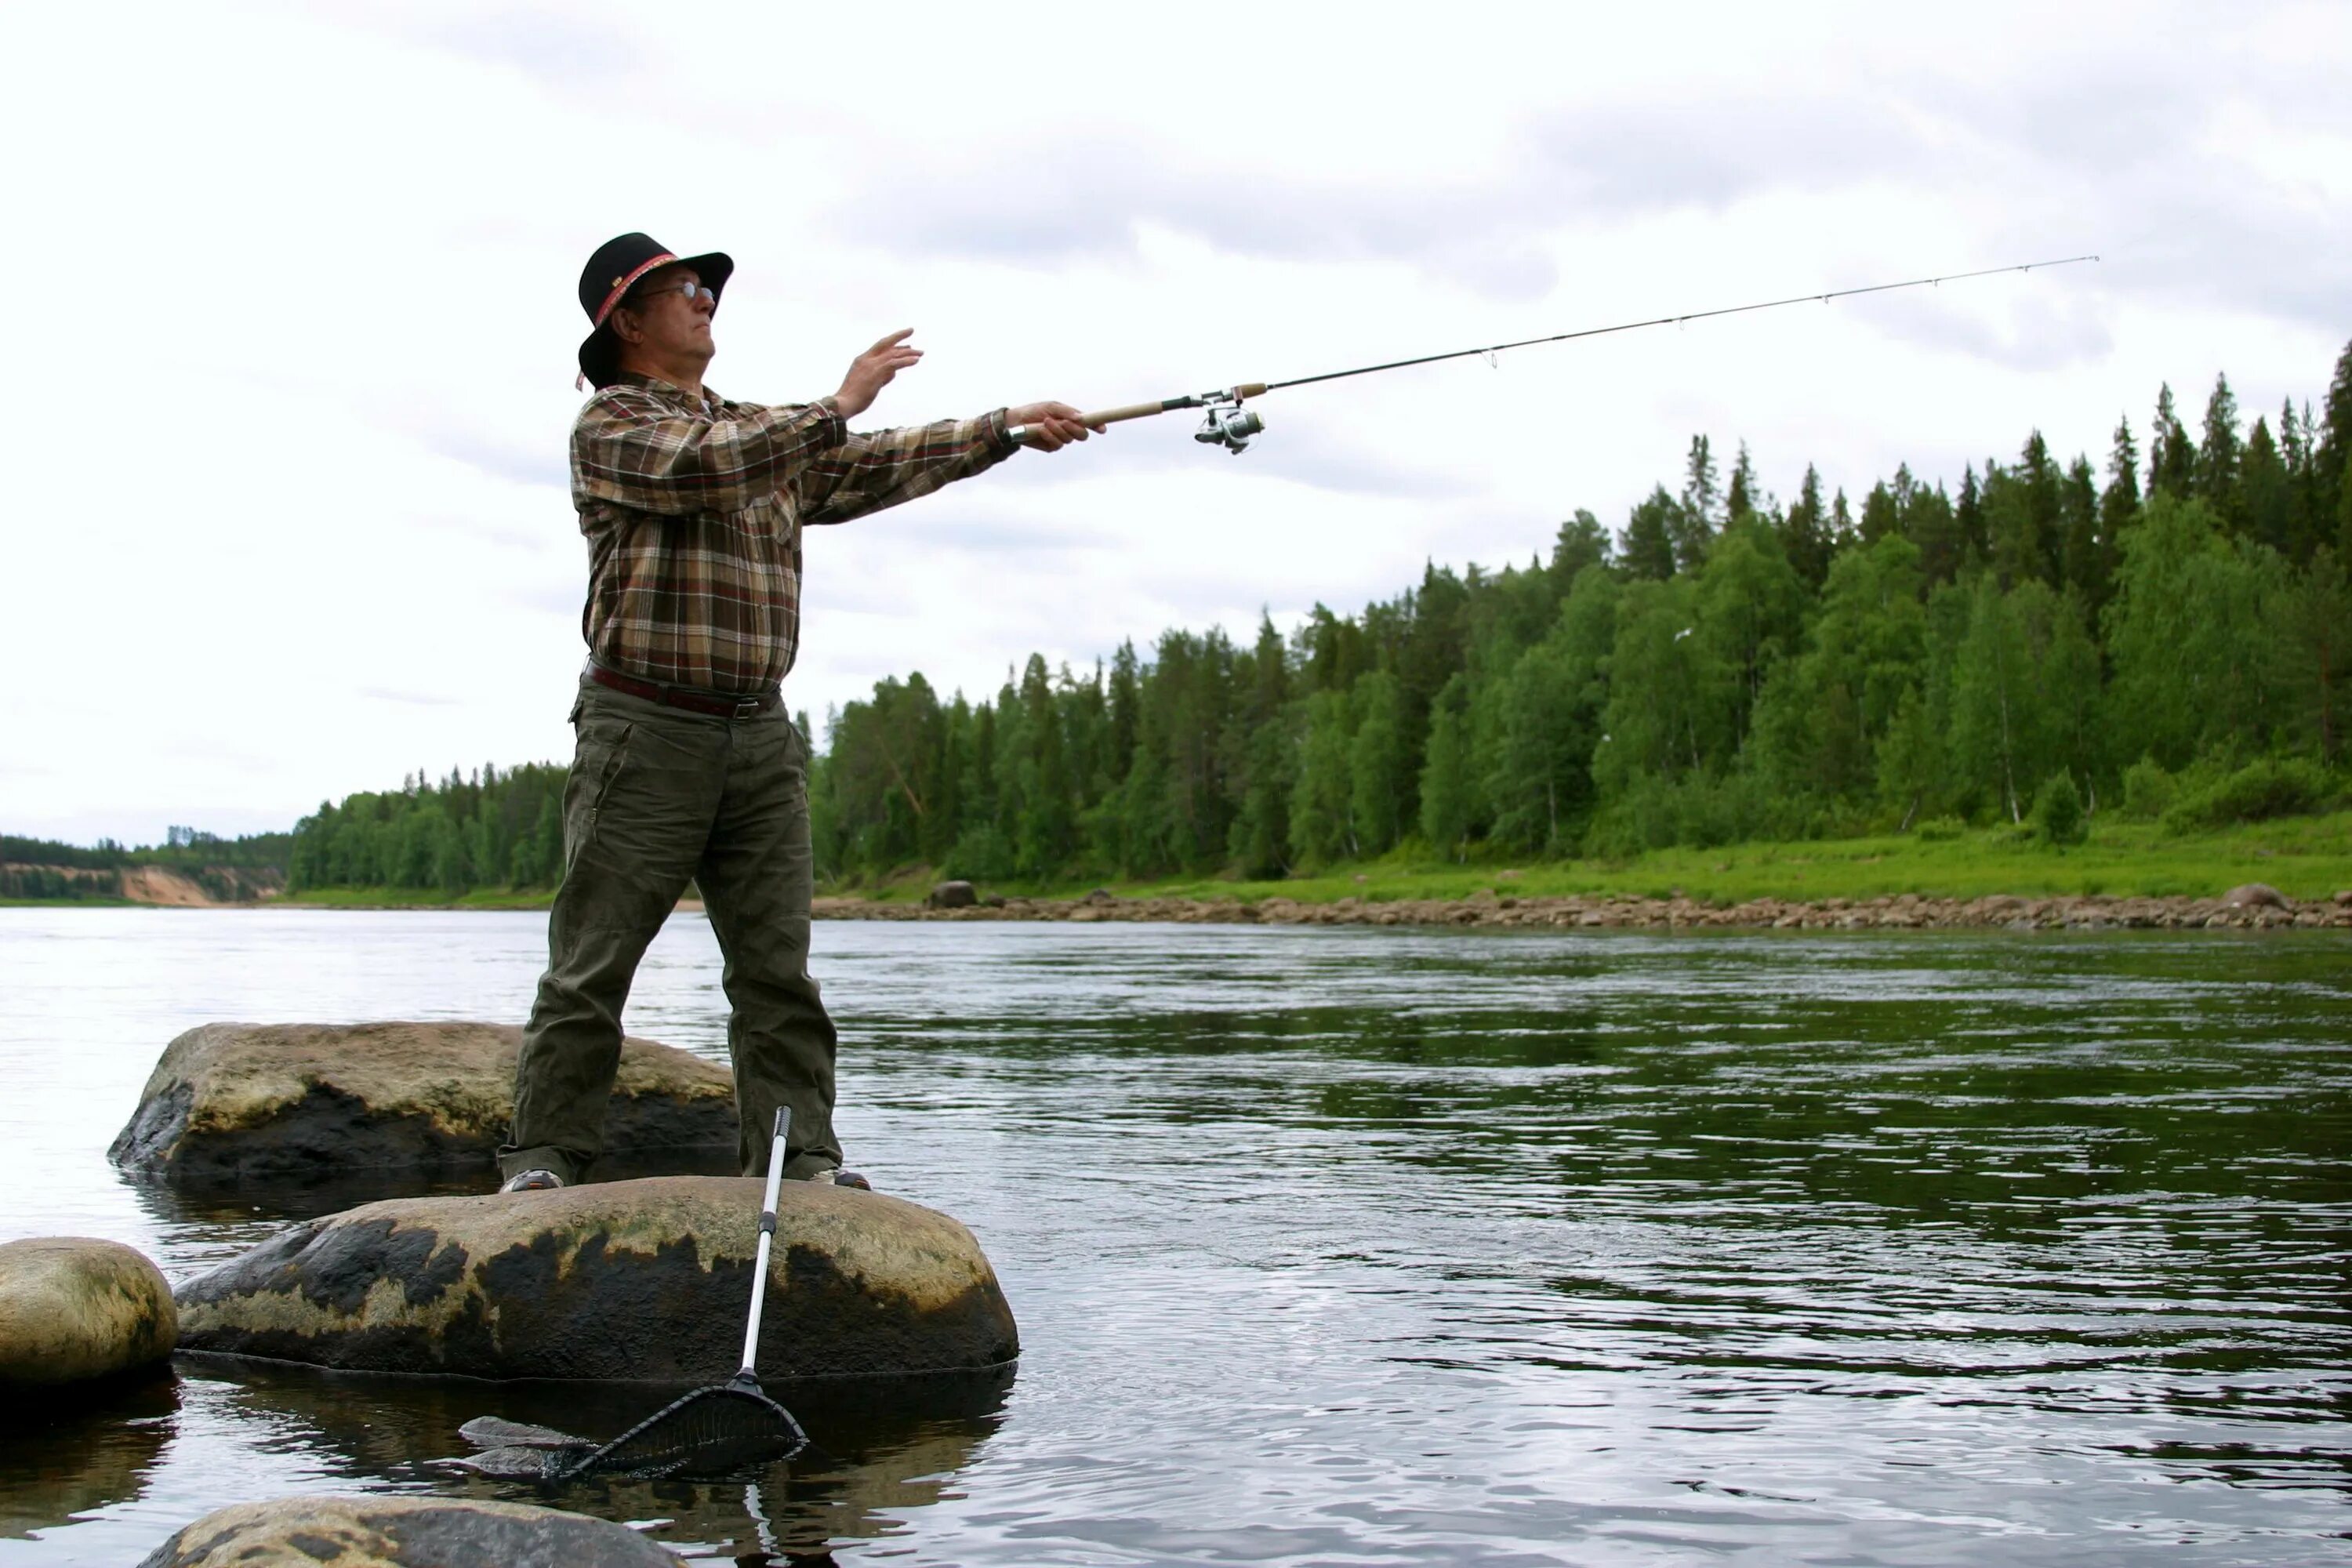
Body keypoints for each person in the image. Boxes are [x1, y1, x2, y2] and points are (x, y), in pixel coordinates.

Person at [498, 232, 1099, 1194]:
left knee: (778, 973)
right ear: (627, 320)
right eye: (684, 289)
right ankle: (542, 1163)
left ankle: (797, 1162)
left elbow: (870, 464)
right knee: (592, 966)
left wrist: (1003, 430)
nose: (705, 300)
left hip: (758, 737)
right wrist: (836, 404)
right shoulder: (612, 426)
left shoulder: (761, 432)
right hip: (642, 730)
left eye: (706, 288)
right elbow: (709, 467)